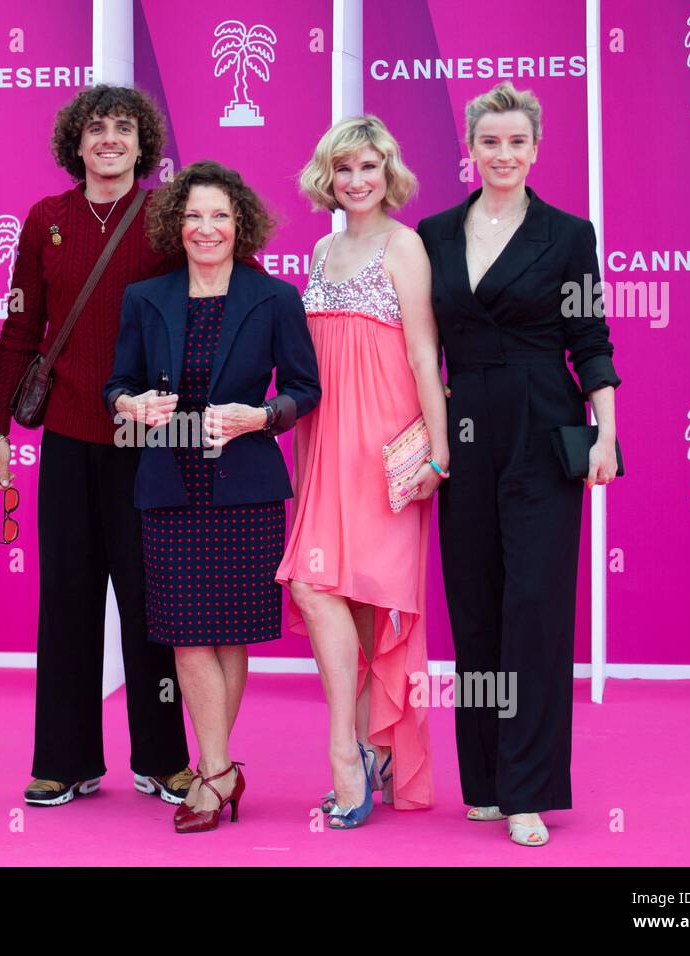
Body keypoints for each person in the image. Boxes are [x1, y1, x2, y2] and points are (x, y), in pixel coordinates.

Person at [415, 82, 620, 847]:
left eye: (516, 142)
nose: (503, 154)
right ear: (469, 150)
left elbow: (591, 337)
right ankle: (490, 781)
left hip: (543, 425)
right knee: (475, 604)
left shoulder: (568, 234)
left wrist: (605, 434)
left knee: (534, 608)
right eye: (489, 142)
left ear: (536, 149)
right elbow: (416, 346)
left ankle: (530, 790)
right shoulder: (433, 233)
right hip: (464, 429)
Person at [0, 85, 194, 808]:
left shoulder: (170, 216)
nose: (109, 139)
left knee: (151, 603)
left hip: (151, 441)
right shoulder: (47, 221)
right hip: (71, 439)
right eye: (96, 128)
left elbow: (220, 290)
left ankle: (164, 760)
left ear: (144, 145)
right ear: (75, 144)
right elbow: (20, 331)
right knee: (68, 600)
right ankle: (65, 761)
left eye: (124, 129)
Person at [105, 161, 321, 833]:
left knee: (228, 637)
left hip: (246, 486)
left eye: (219, 216)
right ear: (178, 223)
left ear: (241, 224)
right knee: (187, 638)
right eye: (194, 215)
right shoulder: (146, 298)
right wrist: (132, 404)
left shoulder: (275, 297)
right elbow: (116, 385)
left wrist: (262, 417)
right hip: (170, 484)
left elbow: (305, 391)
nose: (206, 228)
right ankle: (217, 772)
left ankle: (214, 772)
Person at [276, 117, 446, 829]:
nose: (357, 181)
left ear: (388, 173)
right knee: (326, 588)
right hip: (323, 439)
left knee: (367, 603)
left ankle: (351, 753)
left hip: (383, 445)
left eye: (369, 168)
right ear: (329, 175)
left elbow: (421, 355)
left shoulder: (403, 245)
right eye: (344, 169)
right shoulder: (321, 247)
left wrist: (437, 449)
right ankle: (365, 750)